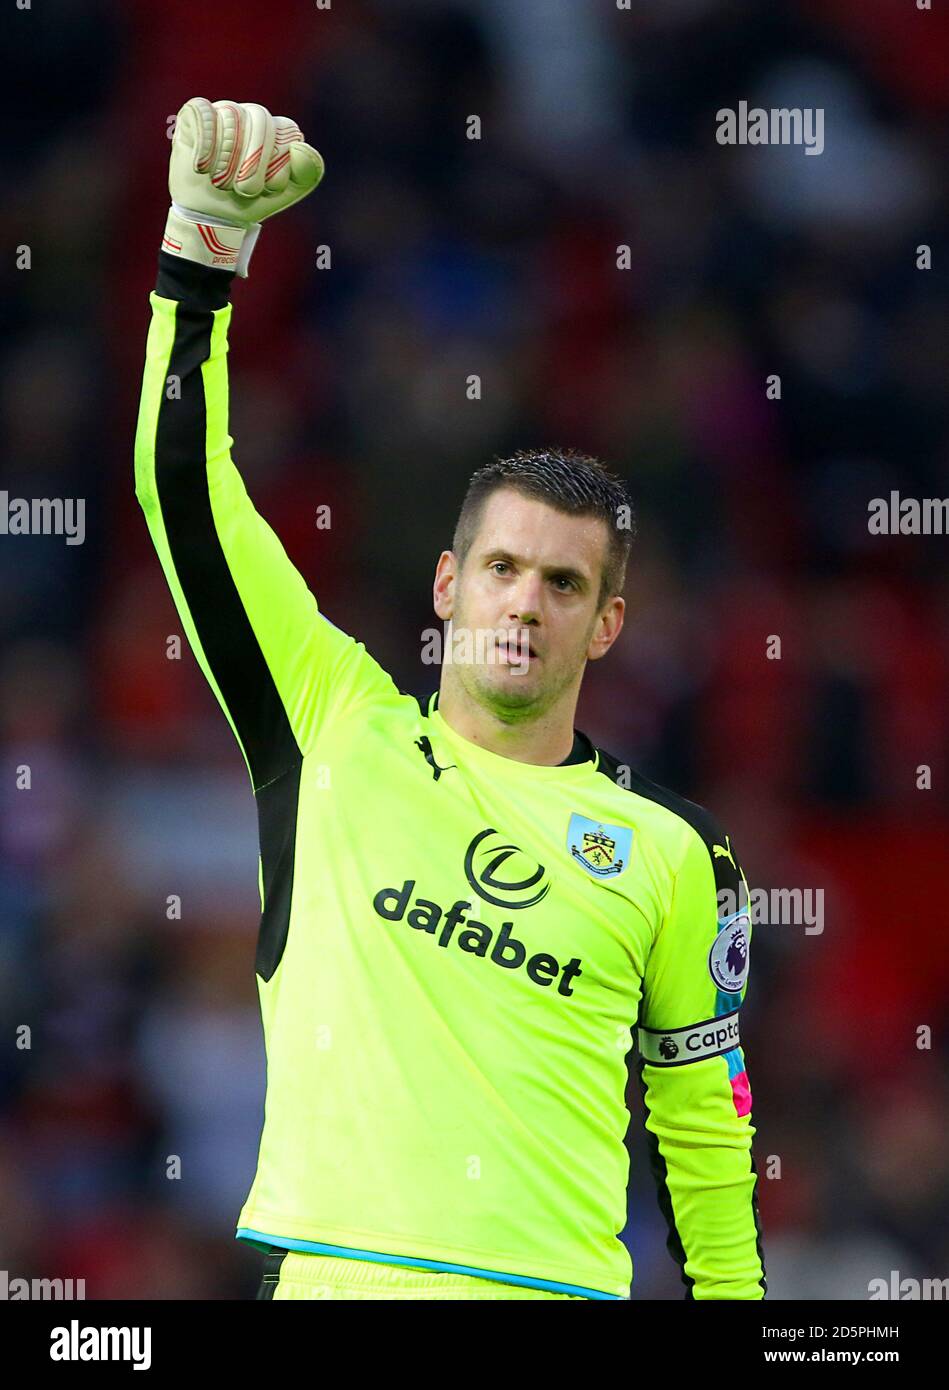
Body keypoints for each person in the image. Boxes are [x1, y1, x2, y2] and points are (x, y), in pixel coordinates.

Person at [134, 97, 766, 1301]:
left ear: (606, 622)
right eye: (502, 568)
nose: (526, 604)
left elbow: (705, 1126)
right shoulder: (329, 724)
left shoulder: (682, 854)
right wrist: (200, 254)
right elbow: (182, 488)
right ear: (448, 584)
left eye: (565, 582)